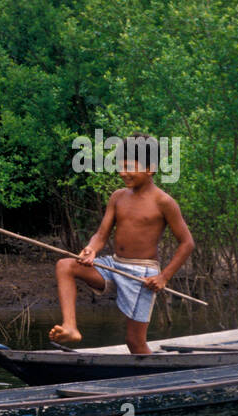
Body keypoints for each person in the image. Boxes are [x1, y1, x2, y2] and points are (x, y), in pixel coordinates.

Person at [49, 134, 196, 354]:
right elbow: (101, 234)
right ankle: (70, 326)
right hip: (113, 265)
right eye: (120, 167)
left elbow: (187, 243)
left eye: (129, 167)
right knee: (65, 265)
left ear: (151, 169)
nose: (122, 173)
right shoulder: (118, 197)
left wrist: (163, 277)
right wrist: (91, 250)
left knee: (134, 342)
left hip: (141, 274)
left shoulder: (163, 202)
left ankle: (156, 380)